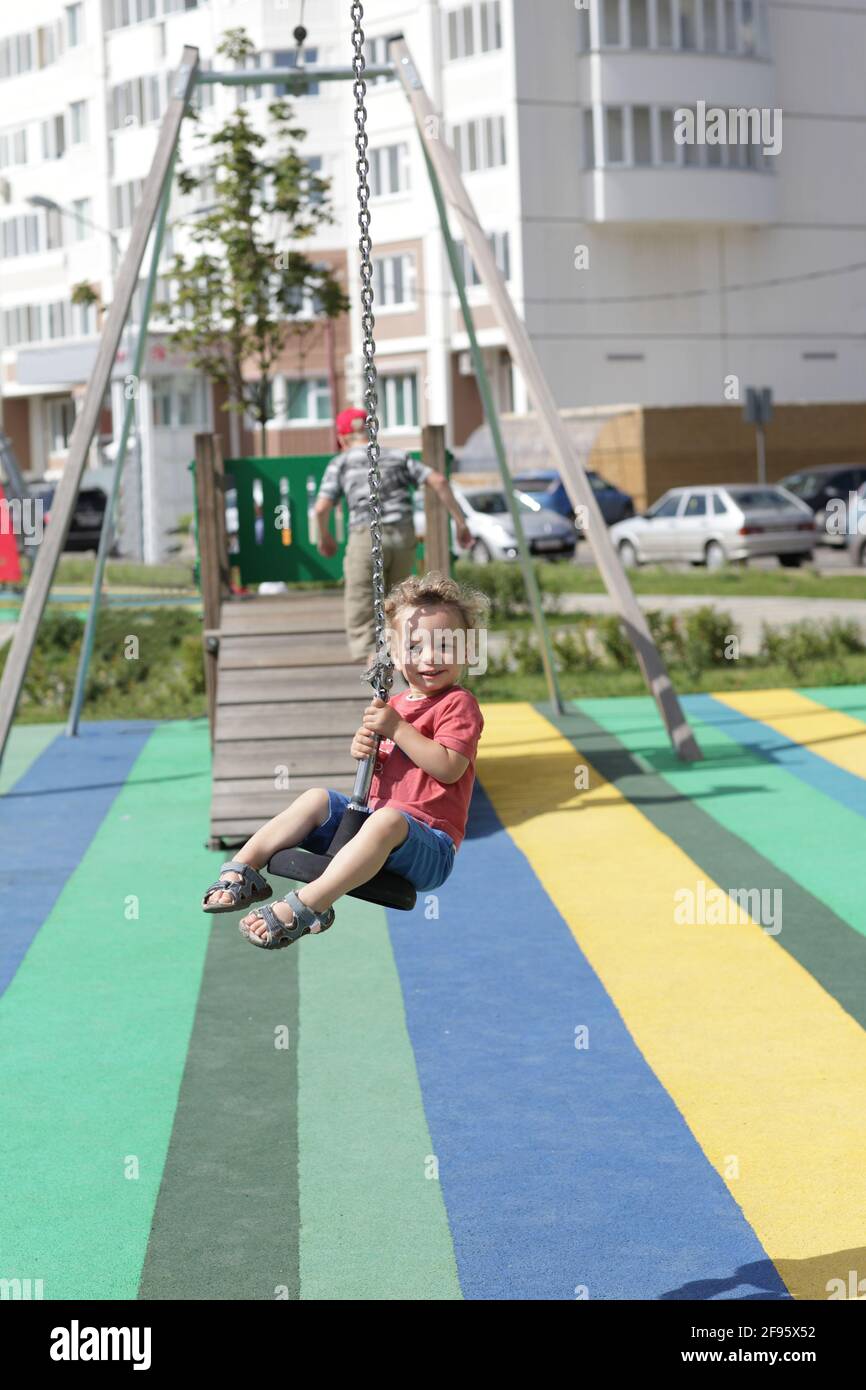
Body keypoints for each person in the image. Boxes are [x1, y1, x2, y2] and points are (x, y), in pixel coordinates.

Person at [200, 572, 489, 949]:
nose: (430, 658)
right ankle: (243, 871)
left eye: (445, 646)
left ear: (468, 651)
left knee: (387, 820)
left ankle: (308, 905)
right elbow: (387, 766)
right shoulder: (397, 704)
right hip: (377, 826)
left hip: (430, 846)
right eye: (415, 647)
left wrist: (398, 730)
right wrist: (366, 747)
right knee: (317, 797)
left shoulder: (458, 704)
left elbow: (449, 766)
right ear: (395, 653)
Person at [314, 407, 472, 663]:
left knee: (362, 598)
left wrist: (325, 537)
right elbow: (439, 481)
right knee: (401, 599)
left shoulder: (341, 462)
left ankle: (370, 658)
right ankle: (404, 651)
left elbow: (321, 508)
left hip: (366, 536)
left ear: (343, 438)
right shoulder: (398, 456)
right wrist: (461, 524)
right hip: (402, 536)